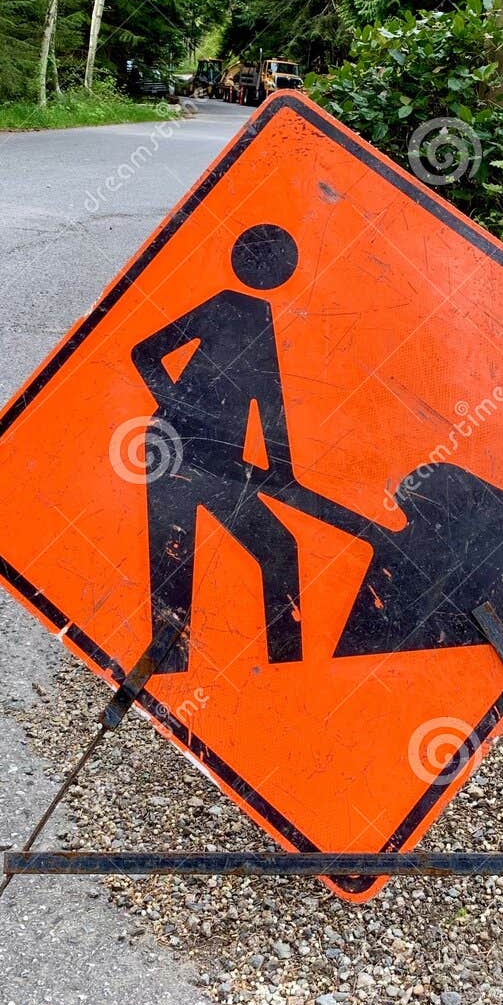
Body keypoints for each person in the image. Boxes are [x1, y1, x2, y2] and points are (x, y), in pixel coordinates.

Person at [130, 224, 302, 673]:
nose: (277, 267)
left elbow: (268, 404)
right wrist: (181, 410)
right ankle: (168, 675)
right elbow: (146, 353)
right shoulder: (225, 305)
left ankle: (287, 674)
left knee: (280, 552)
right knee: (175, 563)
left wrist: (283, 473)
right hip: (173, 447)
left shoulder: (262, 315)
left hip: (221, 458)